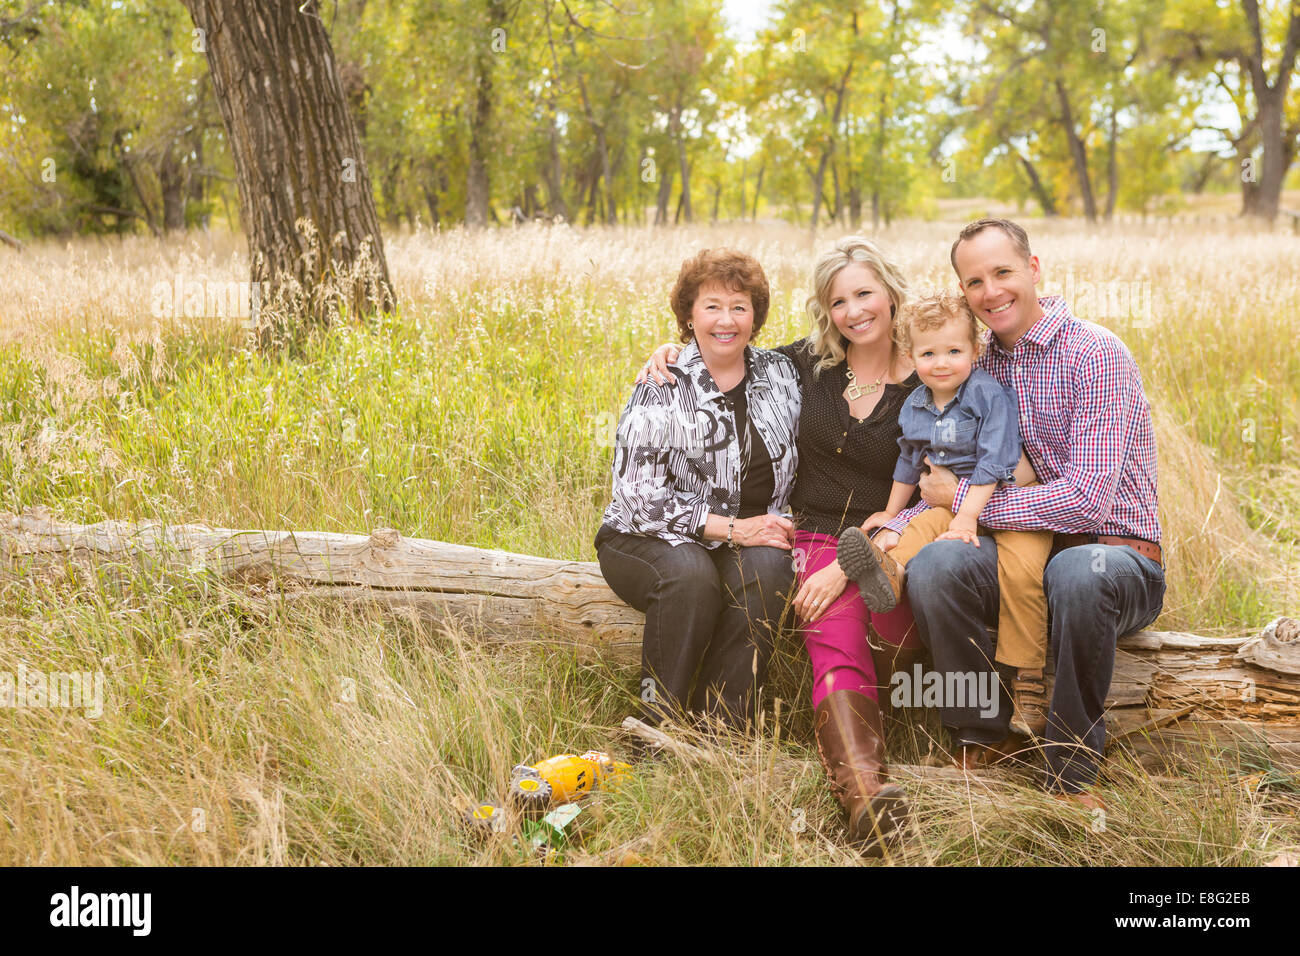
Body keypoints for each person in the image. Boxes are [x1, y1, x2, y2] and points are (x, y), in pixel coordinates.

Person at [639, 237, 925, 856]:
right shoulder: (808, 364)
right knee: (833, 631)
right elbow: (727, 349)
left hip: (889, 537)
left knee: (894, 624)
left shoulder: (933, 371)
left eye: (864, 294)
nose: (853, 312)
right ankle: (866, 798)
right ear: (826, 311)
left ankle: (935, 721)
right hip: (815, 534)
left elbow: (951, 469)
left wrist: (877, 545)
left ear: (892, 293)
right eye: (838, 301)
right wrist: (674, 351)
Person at [883, 219, 1164, 807]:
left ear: (1033, 269)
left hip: (1115, 559)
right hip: (1018, 560)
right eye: (975, 281)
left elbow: (1088, 499)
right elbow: (932, 461)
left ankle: (1071, 770)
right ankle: (981, 733)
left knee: (1076, 572)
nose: (991, 291)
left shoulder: (1094, 352)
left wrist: (959, 500)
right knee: (936, 566)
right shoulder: (975, 367)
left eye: (1003, 272)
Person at [596, 248, 801, 736]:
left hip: (742, 540)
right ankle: (656, 722)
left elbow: (855, 339)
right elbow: (637, 496)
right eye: (711, 306)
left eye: (739, 306)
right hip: (645, 537)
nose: (725, 320)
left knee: (771, 566)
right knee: (691, 575)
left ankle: (719, 730)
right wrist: (733, 528)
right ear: (689, 314)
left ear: (756, 315)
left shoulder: (782, 373)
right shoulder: (662, 383)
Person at [836, 292, 1055, 737]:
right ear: (910, 356)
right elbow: (909, 461)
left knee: (1023, 573)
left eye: (954, 351)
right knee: (910, 531)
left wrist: (966, 515)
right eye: (929, 353)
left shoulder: (987, 395)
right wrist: (890, 513)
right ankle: (890, 574)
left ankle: (1029, 681)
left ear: (975, 351)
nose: (941, 363)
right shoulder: (916, 403)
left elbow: (995, 460)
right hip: (949, 503)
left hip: (1011, 502)